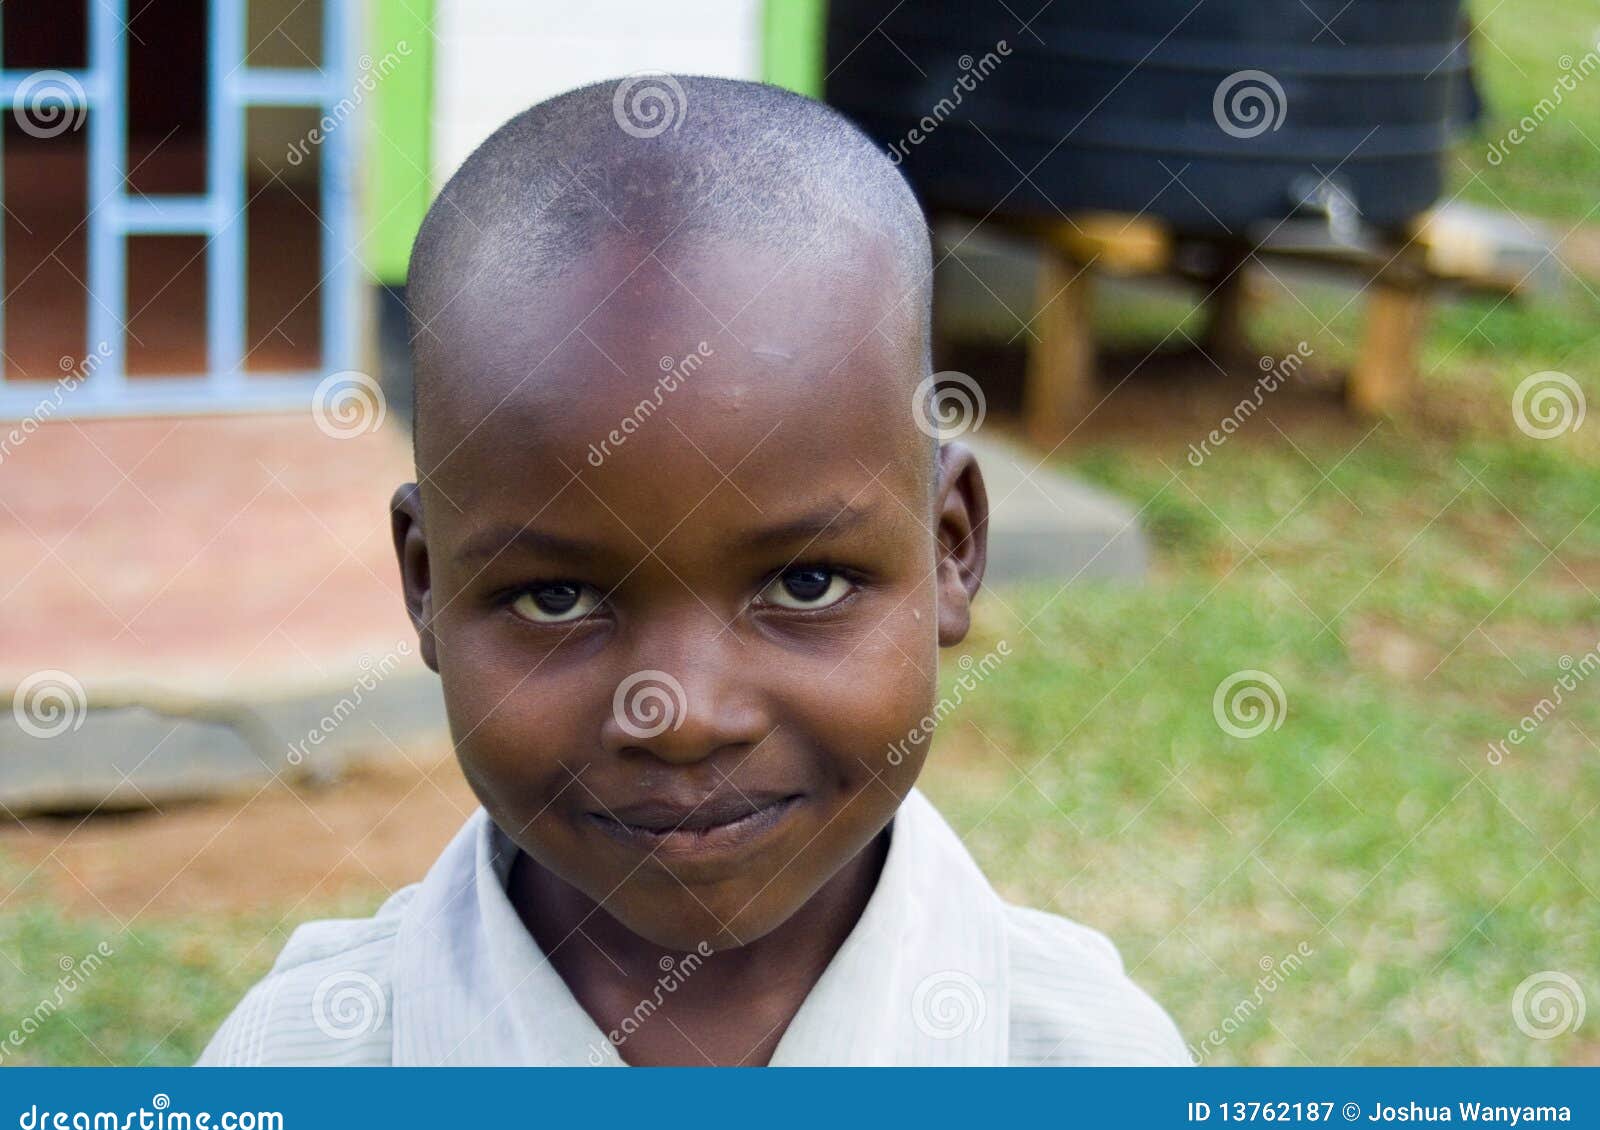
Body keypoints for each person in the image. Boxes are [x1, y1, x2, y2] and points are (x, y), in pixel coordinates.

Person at [199, 76, 1188, 1066]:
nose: (679, 714)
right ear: (425, 584)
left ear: (950, 548)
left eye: (807, 583)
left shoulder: (1087, 1061)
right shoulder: (303, 1064)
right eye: (556, 597)